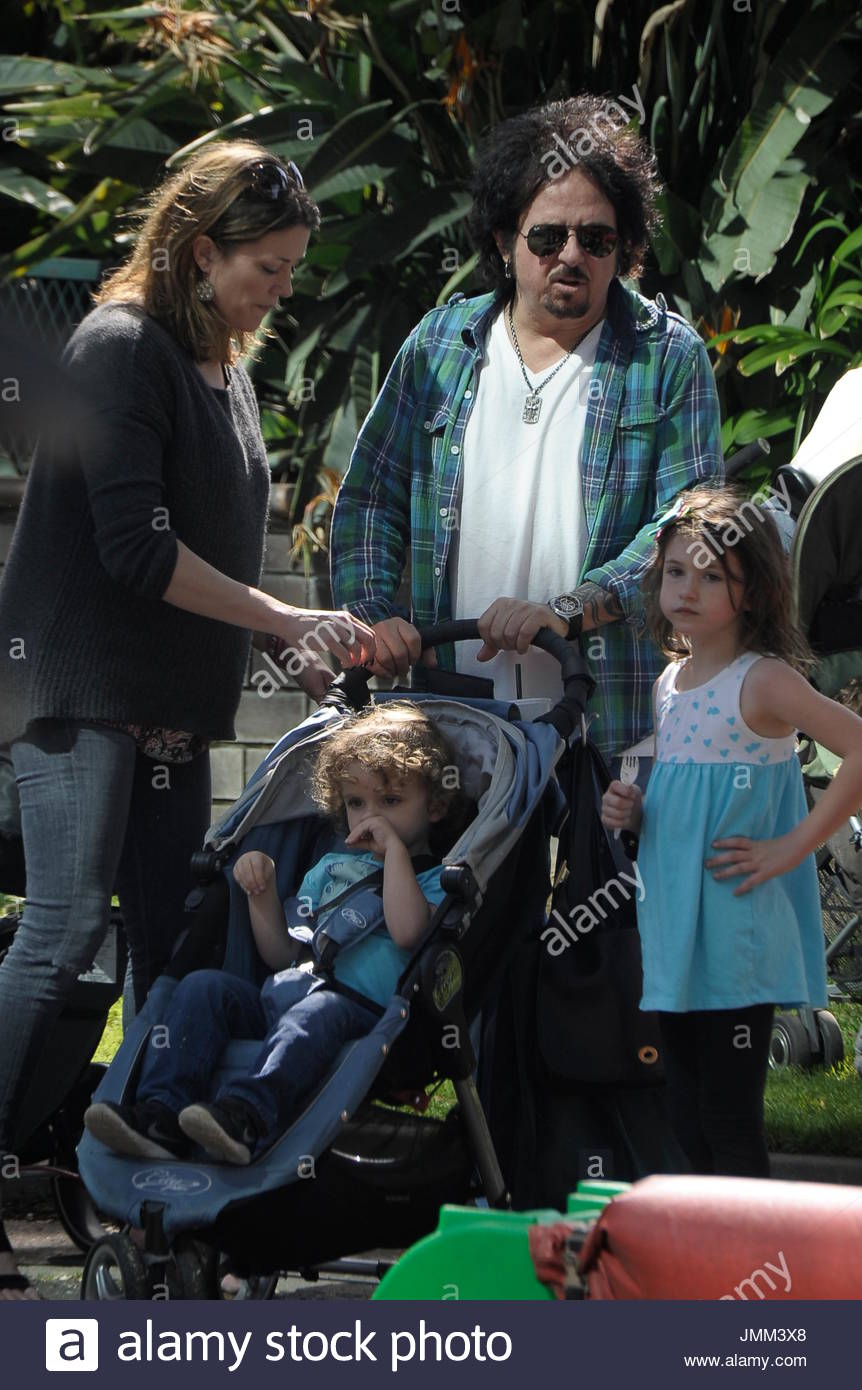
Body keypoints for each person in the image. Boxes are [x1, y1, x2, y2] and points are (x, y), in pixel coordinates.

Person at [0, 140, 375, 1296]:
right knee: (62, 930)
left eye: (291, 267)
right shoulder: (121, 350)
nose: (281, 288)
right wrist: (277, 614)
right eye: (266, 265)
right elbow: (134, 549)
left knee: (166, 950)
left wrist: (285, 642)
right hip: (78, 693)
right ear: (201, 251)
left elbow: (206, 552)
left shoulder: (225, 362)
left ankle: (140, 1195)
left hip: (168, 709)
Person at [330, 94, 722, 762]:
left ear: (624, 247)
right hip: (451, 717)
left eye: (596, 239)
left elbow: (684, 528)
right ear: (503, 239)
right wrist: (372, 616)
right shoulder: (438, 347)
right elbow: (371, 498)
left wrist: (570, 609)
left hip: (609, 716)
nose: (571, 255)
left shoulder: (668, 357)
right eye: (547, 236)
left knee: (607, 871)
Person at [601, 485, 862, 1176]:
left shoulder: (765, 681)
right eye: (678, 571)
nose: (688, 589)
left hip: (737, 939)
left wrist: (793, 846)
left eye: (713, 575)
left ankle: (754, 1271)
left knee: (728, 1120)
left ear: (753, 592)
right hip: (677, 933)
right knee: (682, 1112)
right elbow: (687, 796)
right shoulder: (671, 681)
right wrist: (635, 810)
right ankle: (702, 1265)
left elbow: (859, 747)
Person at [84, 703, 458, 1165]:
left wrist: (396, 855)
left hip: (362, 1016)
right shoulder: (329, 869)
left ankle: (246, 1117)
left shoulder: (436, 879)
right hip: (290, 993)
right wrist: (260, 897)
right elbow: (284, 954)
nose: (370, 817)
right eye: (357, 802)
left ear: (437, 806)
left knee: (319, 1010)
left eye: (391, 802)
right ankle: (160, 1112)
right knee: (204, 987)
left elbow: (408, 934)